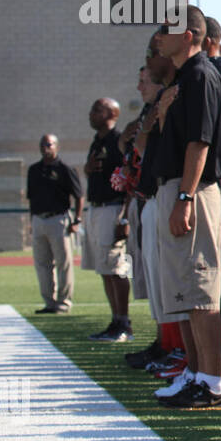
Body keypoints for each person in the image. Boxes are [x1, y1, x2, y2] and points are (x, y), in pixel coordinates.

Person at [153, 6, 221, 409]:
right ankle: (196, 371)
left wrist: (184, 197)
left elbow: (200, 142)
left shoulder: (202, 75)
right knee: (187, 288)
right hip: (179, 187)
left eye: (166, 31)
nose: (158, 38)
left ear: (188, 35)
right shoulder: (184, 78)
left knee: (202, 288)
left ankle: (213, 382)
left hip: (195, 189)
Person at [83, 97, 132, 342]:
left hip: (113, 209)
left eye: (97, 109)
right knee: (104, 268)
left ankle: (124, 323)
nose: (91, 113)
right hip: (96, 208)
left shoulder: (118, 140)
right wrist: (87, 169)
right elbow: (92, 170)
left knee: (116, 268)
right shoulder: (98, 141)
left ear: (112, 113)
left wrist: (125, 218)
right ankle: (114, 320)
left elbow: (130, 176)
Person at [27, 133, 83, 314]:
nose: (45, 148)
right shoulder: (34, 170)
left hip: (58, 219)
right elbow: (31, 198)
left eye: (49, 145)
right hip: (38, 219)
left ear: (56, 147)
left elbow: (79, 195)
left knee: (63, 263)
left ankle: (63, 302)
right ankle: (49, 302)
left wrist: (77, 219)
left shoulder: (65, 169)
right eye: (43, 145)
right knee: (42, 263)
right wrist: (31, 221)